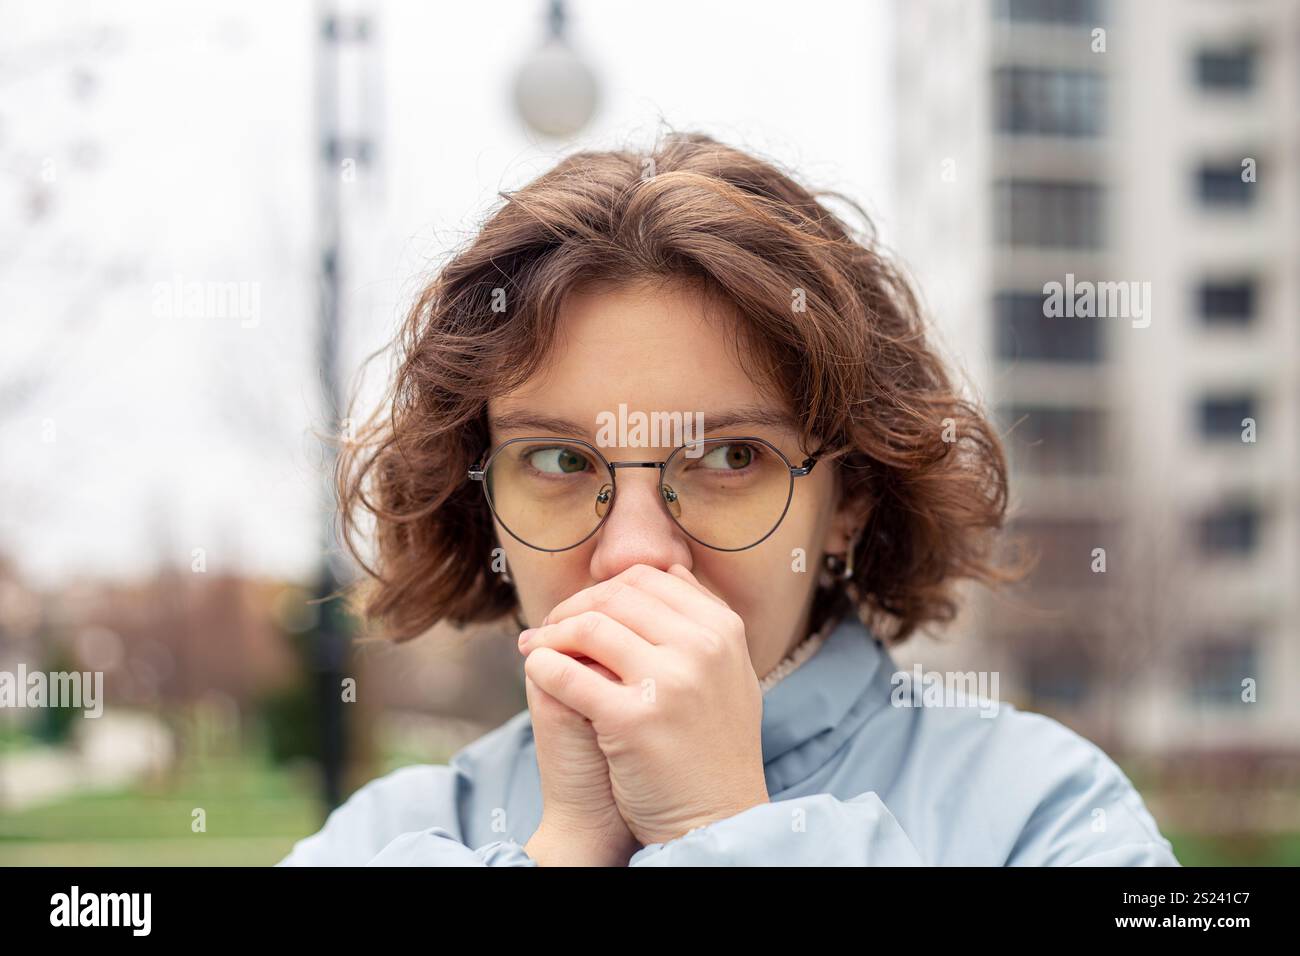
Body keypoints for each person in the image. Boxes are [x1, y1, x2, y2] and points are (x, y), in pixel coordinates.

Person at [276, 131, 1179, 867]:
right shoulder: (387, 836)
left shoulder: (1045, 816)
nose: (632, 552)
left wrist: (727, 832)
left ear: (852, 499)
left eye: (729, 456)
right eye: (558, 460)